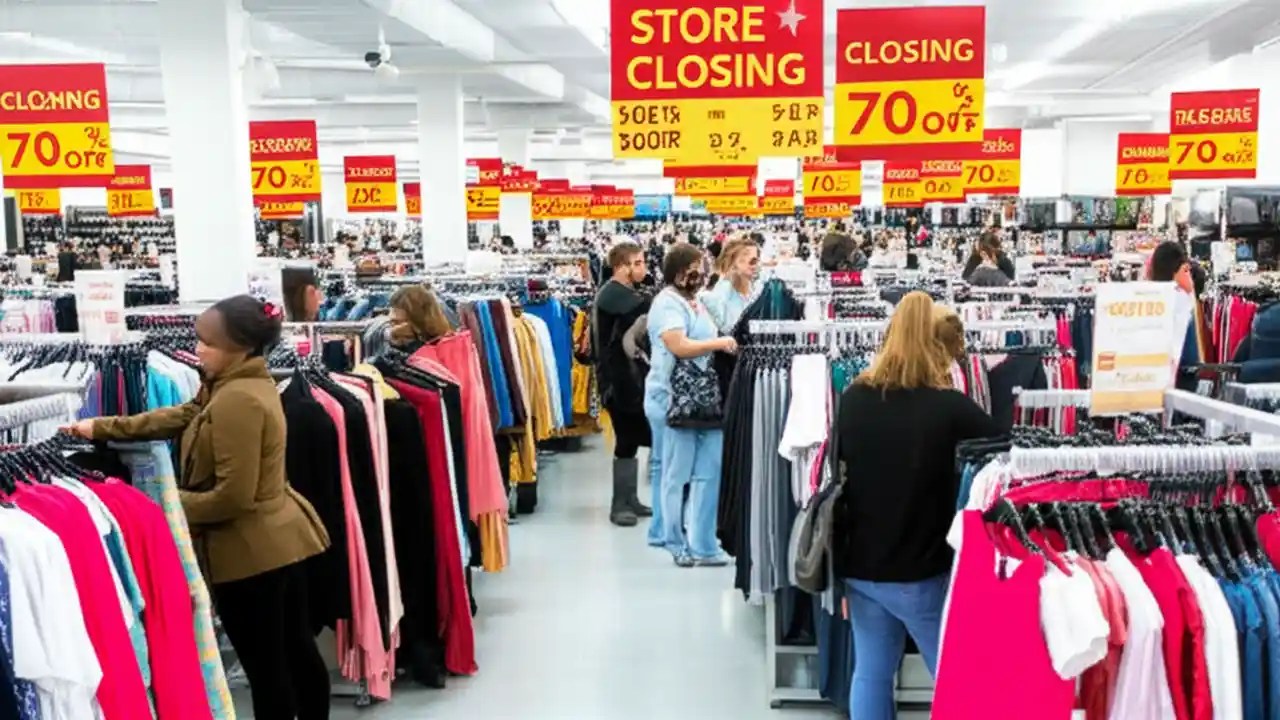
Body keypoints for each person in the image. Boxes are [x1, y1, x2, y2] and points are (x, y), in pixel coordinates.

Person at [64, 295, 332, 720]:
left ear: (238, 346)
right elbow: (181, 415)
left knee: (269, 665)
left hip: (250, 554)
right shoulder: (235, 384)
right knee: (293, 649)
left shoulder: (237, 400)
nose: (198, 349)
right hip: (279, 541)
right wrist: (102, 426)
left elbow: (233, 497)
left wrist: (157, 509)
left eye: (207, 342)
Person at [832, 291, 1000, 720]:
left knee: (870, 672)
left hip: (860, 565)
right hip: (921, 569)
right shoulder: (951, 408)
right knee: (952, 675)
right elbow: (1006, 450)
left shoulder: (854, 397)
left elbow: (841, 473)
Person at [645, 242, 737, 566]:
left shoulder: (695, 302)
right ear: (678, 271)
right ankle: (674, 541)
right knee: (676, 474)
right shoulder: (666, 304)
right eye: (694, 268)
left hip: (705, 400)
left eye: (703, 267)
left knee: (709, 472)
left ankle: (704, 543)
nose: (700, 274)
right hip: (672, 399)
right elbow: (679, 345)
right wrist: (720, 343)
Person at [593, 241, 655, 527]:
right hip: (617, 381)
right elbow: (644, 306)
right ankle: (619, 504)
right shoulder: (612, 294)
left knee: (629, 440)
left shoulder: (622, 292)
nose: (643, 267)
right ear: (622, 266)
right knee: (627, 438)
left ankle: (629, 498)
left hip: (628, 378)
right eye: (639, 262)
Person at [1148, 241, 1207, 387]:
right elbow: (1187, 349)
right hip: (1182, 373)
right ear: (1175, 271)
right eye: (1185, 270)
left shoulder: (1153, 297)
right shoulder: (1180, 299)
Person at [704, 238, 760, 333]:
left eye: (757, 261)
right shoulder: (721, 294)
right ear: (734, 263)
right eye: (752, 262)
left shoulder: (753, 288)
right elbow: (729, 329)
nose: (757, 266)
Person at [387, 284, 455, 353]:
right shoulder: (393, 343)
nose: (393, 327)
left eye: (398, 322)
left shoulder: (444, 348)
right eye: (392, 322)